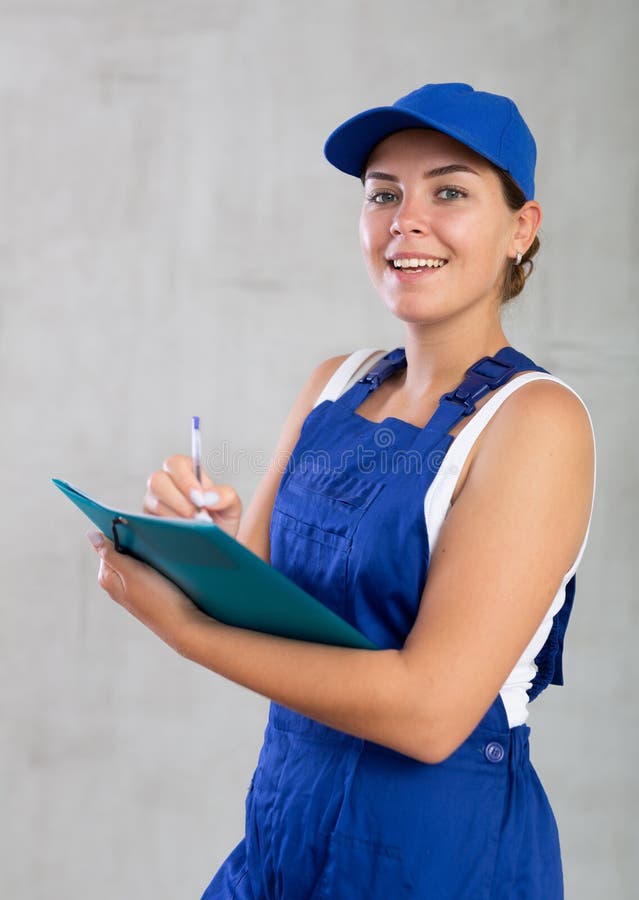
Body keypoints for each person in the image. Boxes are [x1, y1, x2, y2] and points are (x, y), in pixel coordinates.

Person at [86, 83, 596, 898]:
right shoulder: (337, 383)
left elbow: (429, 714)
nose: (407, 219)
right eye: (383, 194)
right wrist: (205, 543)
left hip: (434, 855)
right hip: (286, 828)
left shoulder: (534, 422)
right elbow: (255, 605)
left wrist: (182, 632)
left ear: (520, 229)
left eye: (450, 191)